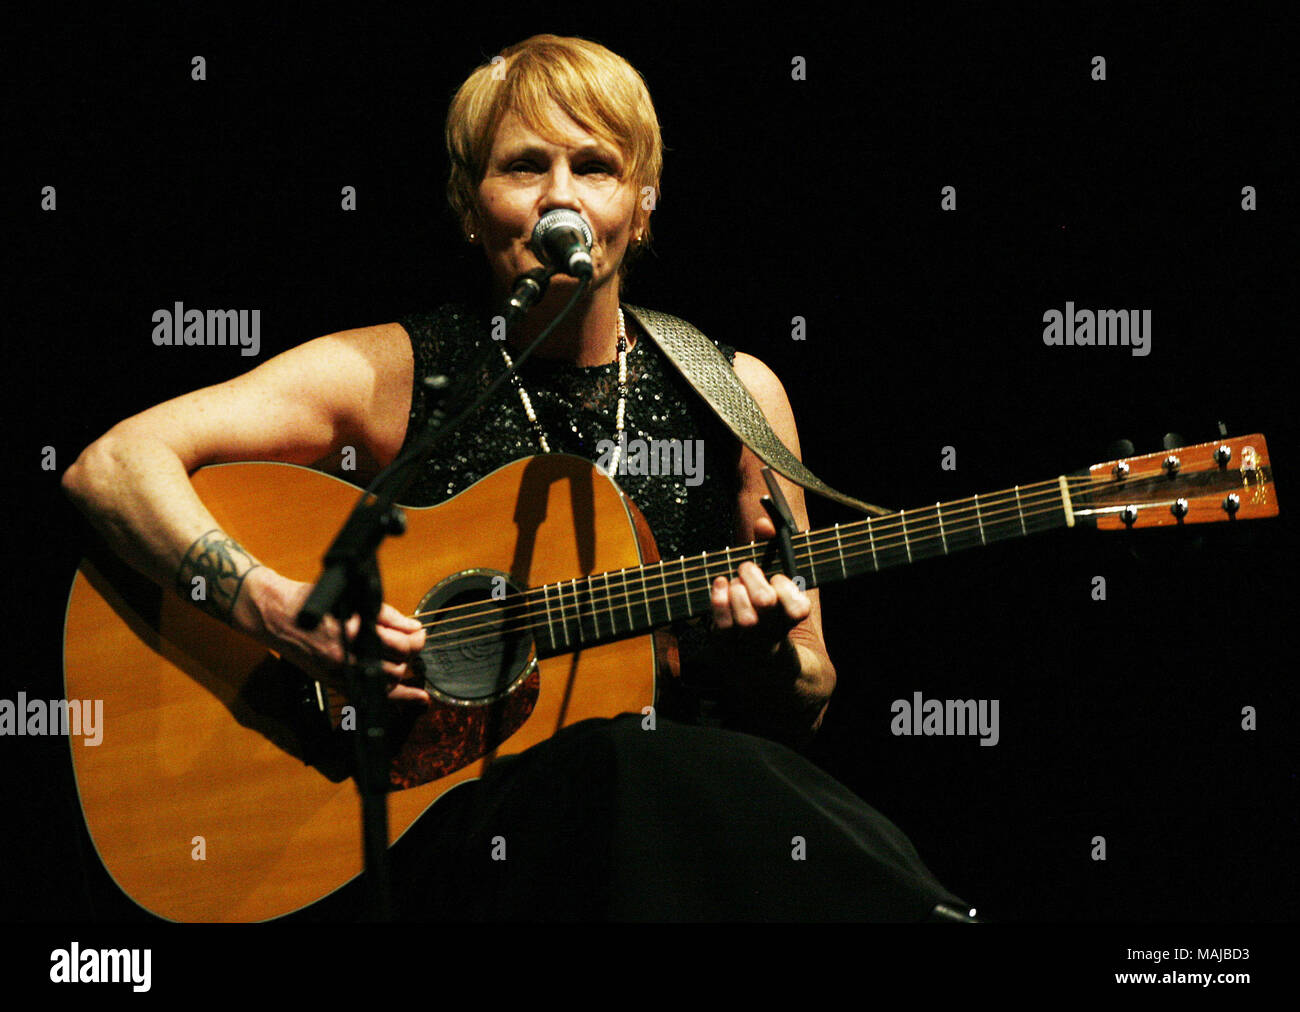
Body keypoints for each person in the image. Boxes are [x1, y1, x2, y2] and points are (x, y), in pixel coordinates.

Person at [62, 33, 970, 920]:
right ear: (468, 202)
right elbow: (111, 467)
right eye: (524, 166)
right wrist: (273, 610)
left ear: (643, 205)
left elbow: (808, 697)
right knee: (617, 762)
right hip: (448, 834)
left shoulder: (734, 395)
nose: (560, 200)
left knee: (653, 767)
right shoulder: (394, 373)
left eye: (596, 168)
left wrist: (765, 657)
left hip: (667, 838)